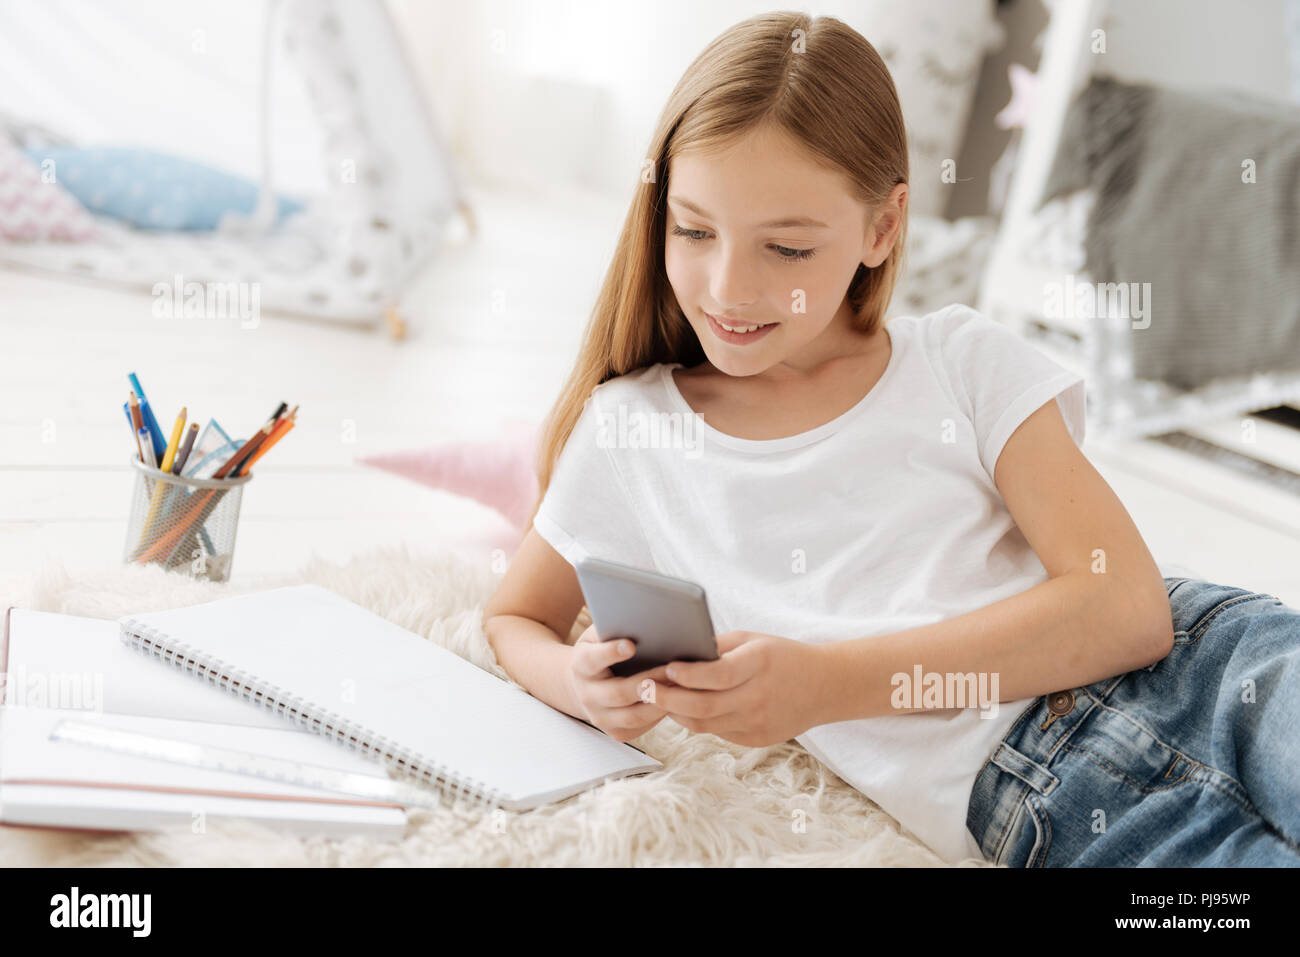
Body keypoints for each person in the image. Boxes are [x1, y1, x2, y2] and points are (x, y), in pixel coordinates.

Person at [482, 11, 1300, 867]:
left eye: (788, 247)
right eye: (693, 230)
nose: (728, 286)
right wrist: (572, 682)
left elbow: (1128, 609)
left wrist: (827, 684)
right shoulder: (629, 430)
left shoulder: (961, 359)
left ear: (882, 227)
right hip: (1048, 793)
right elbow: (514, 615)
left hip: (1216, 668)